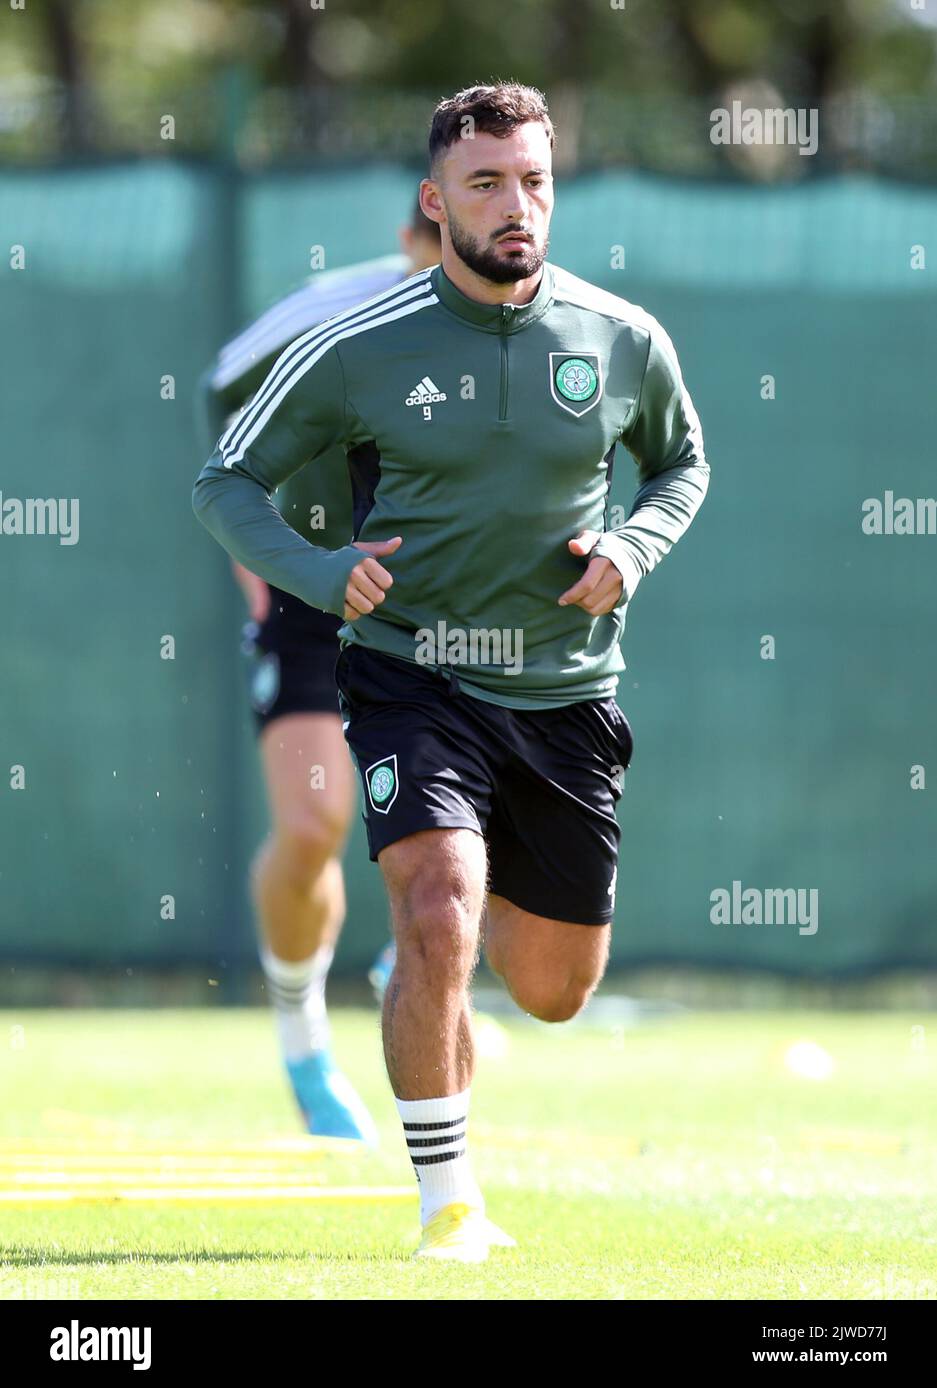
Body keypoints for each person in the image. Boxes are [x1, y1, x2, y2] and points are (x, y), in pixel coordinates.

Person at [193, 82, 709, 1257]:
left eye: (532, 179)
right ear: (436, 203)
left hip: (565, 690)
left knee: (550, 987)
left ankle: (441, 968)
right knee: (432, 905)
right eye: (485, 182)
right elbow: (224, 479)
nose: (514, 202)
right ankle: (448, 1204)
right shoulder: (353, 340)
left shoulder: (620, 336)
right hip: (408, 674)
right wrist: (314, 573)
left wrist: (632, 546)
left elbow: (681, 464)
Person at [198, 203, 441, 1143]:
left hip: (449, 602)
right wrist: (250, 539)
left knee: (480, 828)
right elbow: (223, 389)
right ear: (422, 221)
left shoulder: (531, 326)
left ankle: (425, 952)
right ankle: (303, 1042)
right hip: (314, 588)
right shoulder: (328, 307)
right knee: (312, 825)